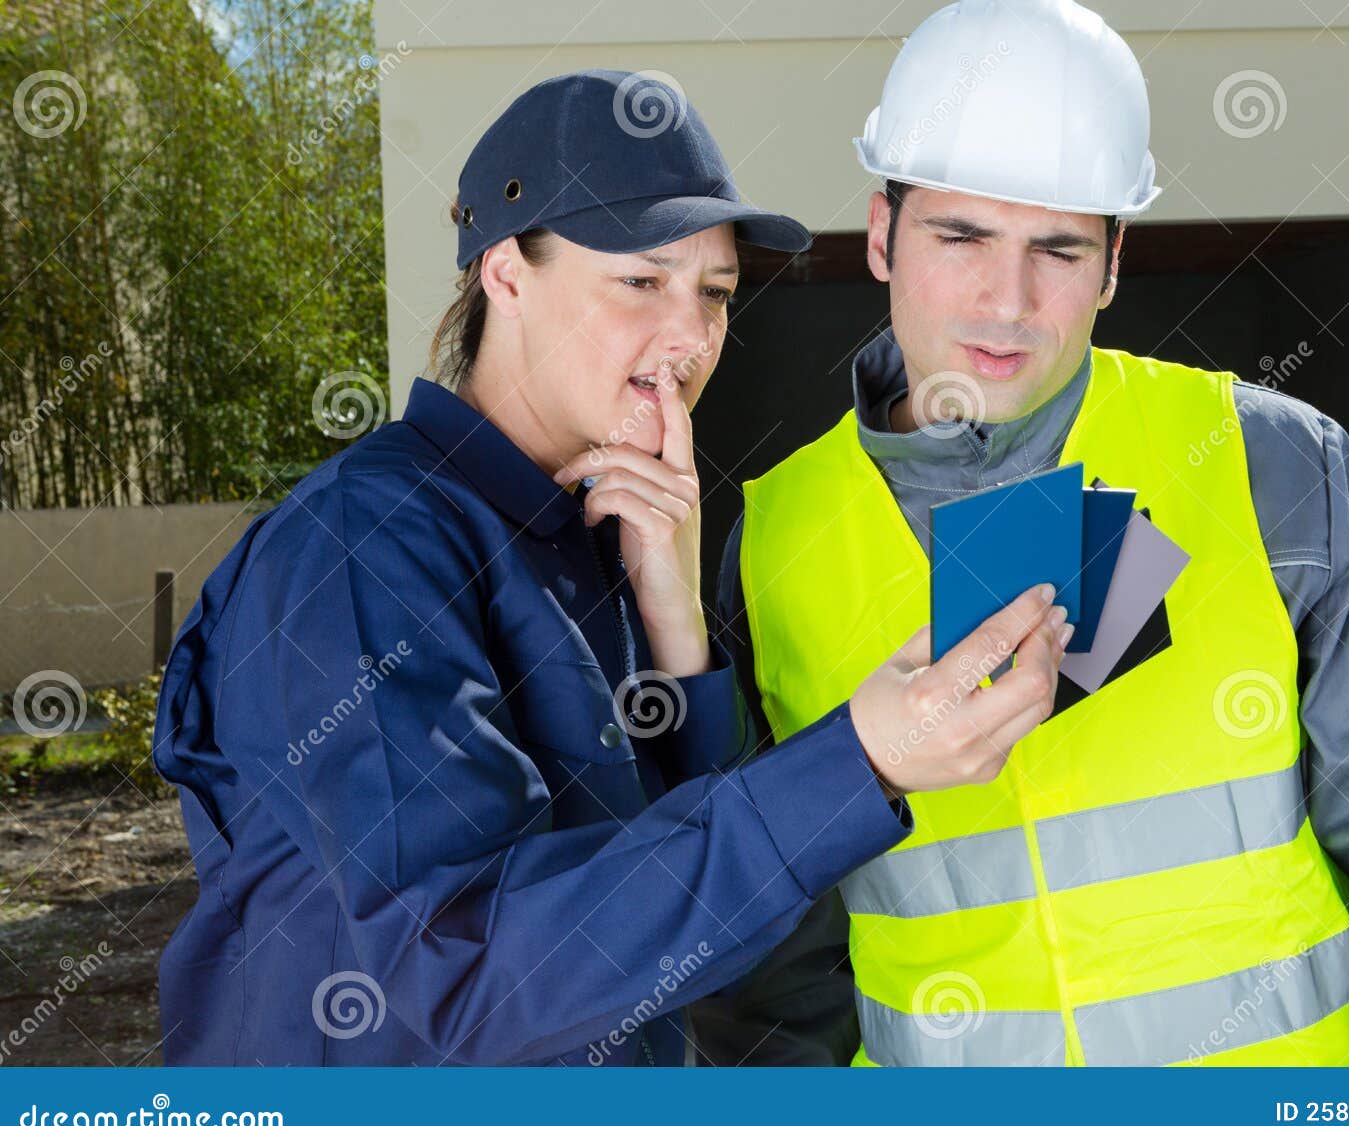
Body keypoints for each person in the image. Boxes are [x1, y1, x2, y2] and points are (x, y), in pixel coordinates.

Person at [698, 0, 1349, 1066]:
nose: (1006, 299)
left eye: (1056, 249)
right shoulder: (771, 537)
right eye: (960, 234)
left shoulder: (1267, 463)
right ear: (881, 238)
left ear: (1112, 265)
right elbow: (776, 968)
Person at [150, 69, 1071, 1066]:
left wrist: (678, 637)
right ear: (505, 272)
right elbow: (455, 967)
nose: (690, 336)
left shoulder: (601, 532)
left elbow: (692, 933)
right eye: (642, 280)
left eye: (714, 293)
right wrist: (861, 758)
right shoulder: (367, 544)